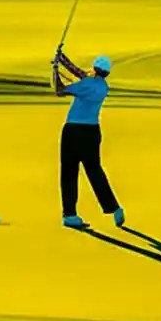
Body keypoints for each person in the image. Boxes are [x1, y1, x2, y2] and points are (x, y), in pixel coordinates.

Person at [52, 50, 124, 229]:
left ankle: (69, 215)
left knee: (69, 172)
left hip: (73, 131)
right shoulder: (102, 86)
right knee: (94, 170)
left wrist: (55, 70)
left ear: (94, 68)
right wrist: (63, 59)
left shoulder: (86, 83)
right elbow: (81, 74)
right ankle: (114, 208)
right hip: (92, 132)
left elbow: (59, 90)